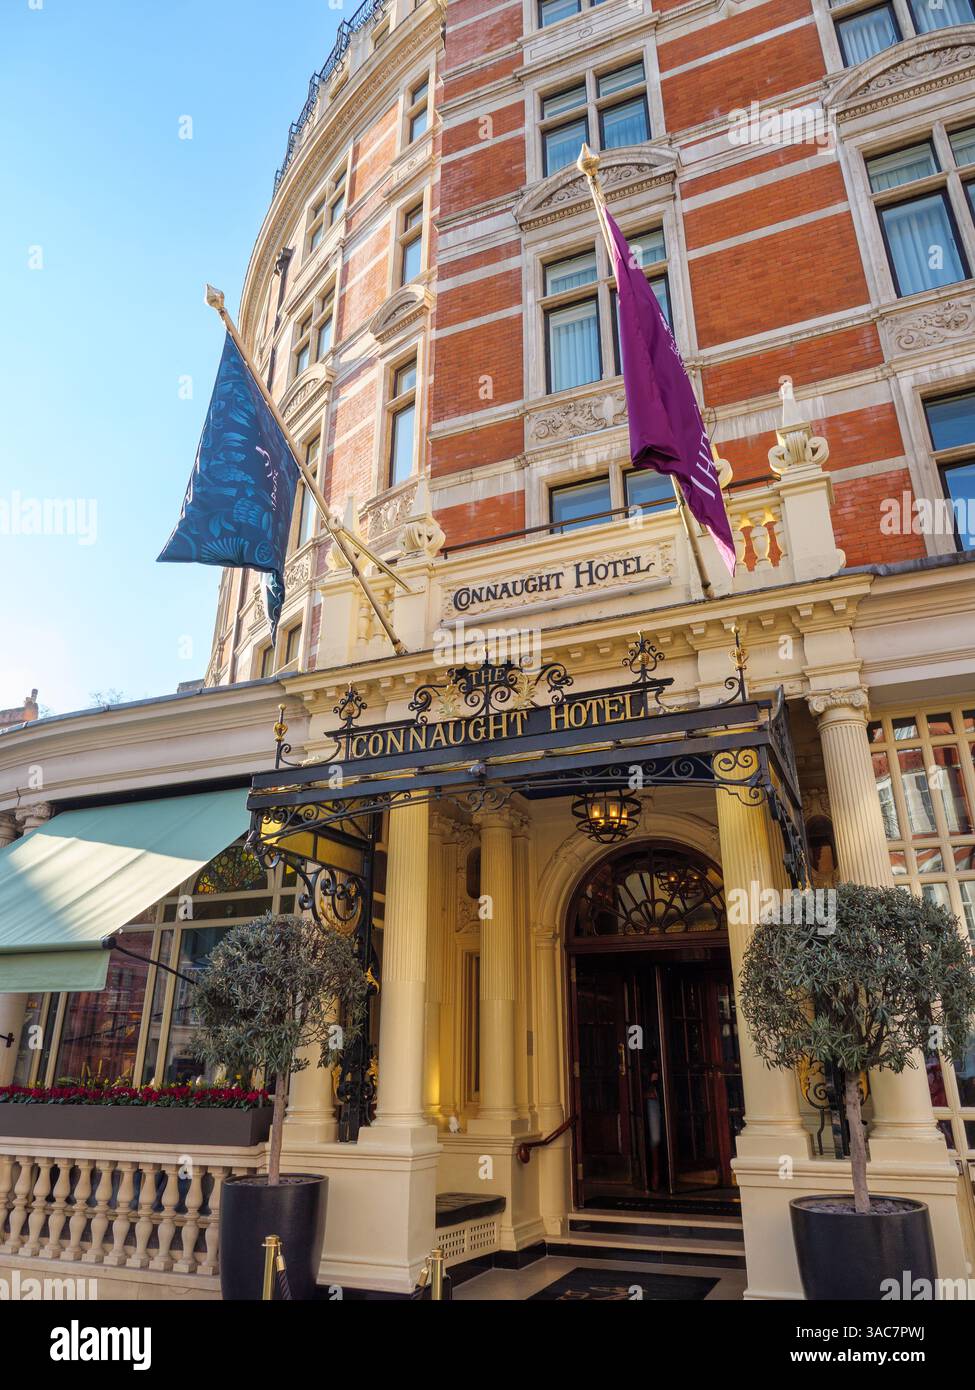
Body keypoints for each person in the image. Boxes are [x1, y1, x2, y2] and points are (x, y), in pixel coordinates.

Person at [642, 1058, 663, 1191]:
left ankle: (658, 1175)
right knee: (654, 1139)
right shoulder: (643, 1063)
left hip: (659, 1097)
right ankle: (654, 1175)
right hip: (650, 1100)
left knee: (656, 1138)